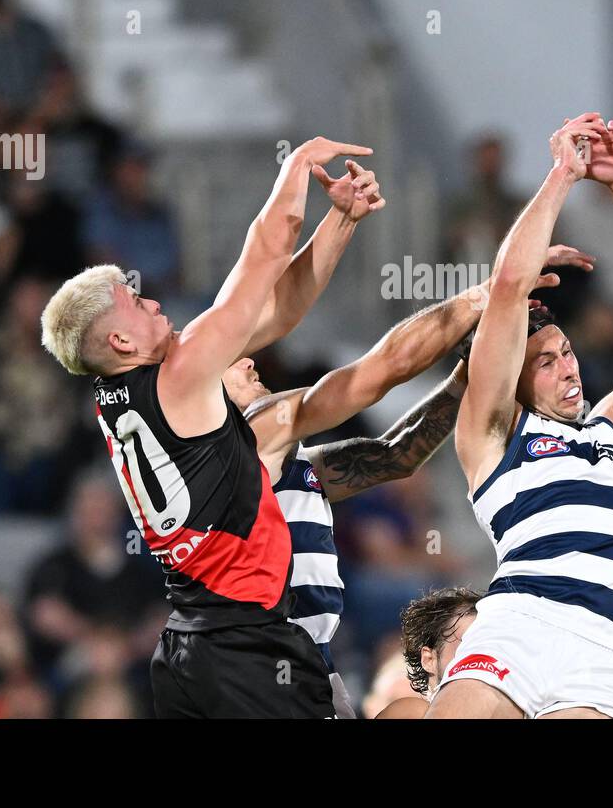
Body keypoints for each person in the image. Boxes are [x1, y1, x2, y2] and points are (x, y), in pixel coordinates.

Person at [39, 135, 376, 718]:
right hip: (246, 645)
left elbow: (280, 308)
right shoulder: (183, 371)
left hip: (185, 649)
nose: (153, 305)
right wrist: (295, 167)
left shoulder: (118, 396)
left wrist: (341, 220)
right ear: (121, 341)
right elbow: (268, 251)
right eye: (136, 305)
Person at [232, 241, 593, 716]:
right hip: (262, 665)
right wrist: (489, 296)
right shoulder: (237, 445)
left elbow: (397, 455)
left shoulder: (284, 464)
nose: (249, 362)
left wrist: (471, 370)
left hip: (307, 662)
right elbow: (380, 371)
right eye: (231, 363)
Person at [429, 113, 613, 719]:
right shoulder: (497, 432)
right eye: (545, 362)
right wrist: (561, 177)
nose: (569, 366)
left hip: (604, 642)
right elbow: (506, 291)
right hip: (520, 618)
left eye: (568, 352)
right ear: (513, 384)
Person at [377, 587, 613, 719]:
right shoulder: (409, 712)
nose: (483, 655)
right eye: (469, 644)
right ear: (428, 658)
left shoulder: (536, 702)